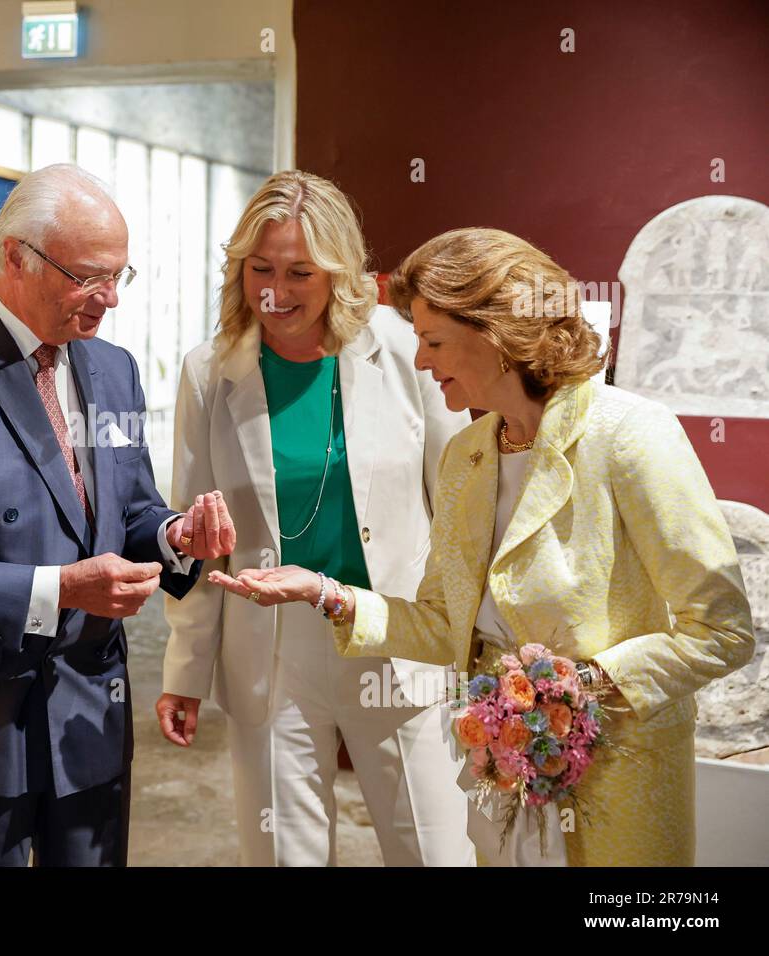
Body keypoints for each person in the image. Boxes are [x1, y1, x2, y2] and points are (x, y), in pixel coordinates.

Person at [210, 227, 756, 866]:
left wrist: (576, 686)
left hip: (619, 789)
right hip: (504, 796)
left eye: (434, 341)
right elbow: (445, 627)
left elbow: (720, 631)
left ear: (500, 338)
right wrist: (325, 593)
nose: (419, 361)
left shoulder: (632, 435)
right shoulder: (467, 457)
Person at [0, 163, 235, 866]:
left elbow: (131, 510)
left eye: (122, 275)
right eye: (89, 276)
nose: (110, 299)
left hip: (89, 724)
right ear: (14, 258)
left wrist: (176, 535)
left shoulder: (112, 369)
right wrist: (59, 590)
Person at [157, 171, 474, 866]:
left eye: (300, 271)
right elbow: (194, 540)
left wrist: (479, 639)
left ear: (338, 271)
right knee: (283, 855)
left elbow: (460, 509)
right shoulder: (210, 373)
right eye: (260, 269)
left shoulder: (402, 349)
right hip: (273, 652)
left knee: (434, 850)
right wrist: (184, 667)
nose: (277, 290)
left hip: (395, 636)